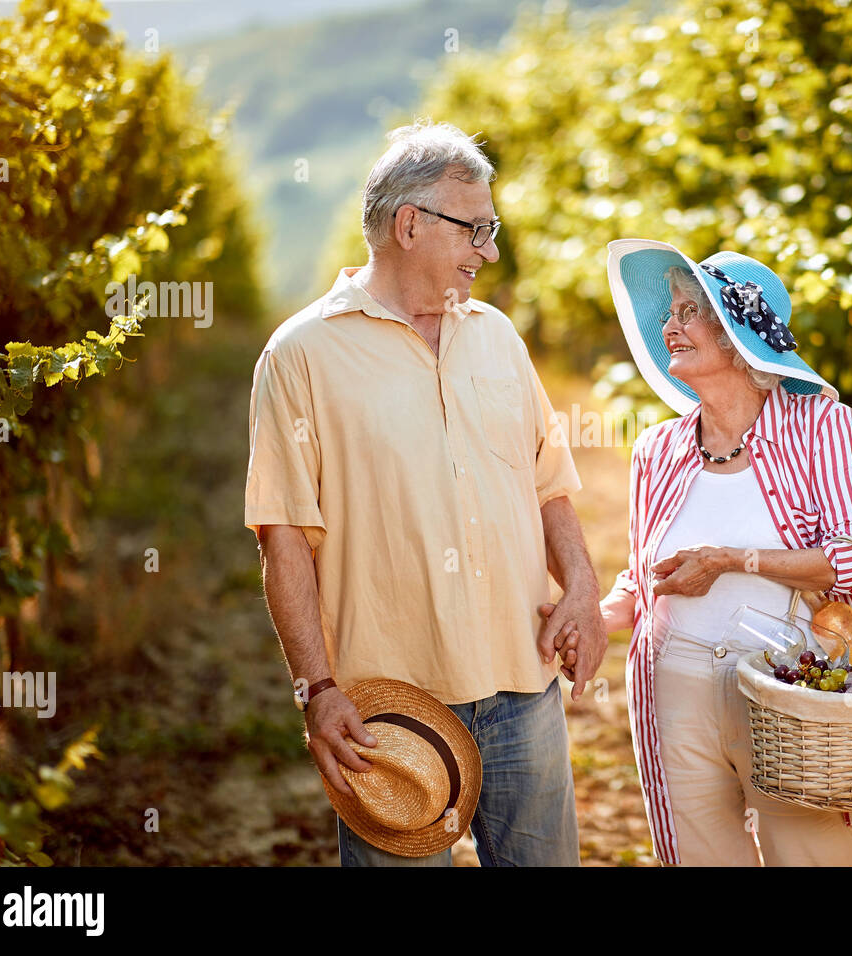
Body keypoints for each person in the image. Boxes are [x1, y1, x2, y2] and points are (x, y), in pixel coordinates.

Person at [243, 120, 607, 867]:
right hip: (391, 715)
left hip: (522, 686)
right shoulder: (302, 355)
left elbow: (549, 484)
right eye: (476, 229)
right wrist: (317, 690)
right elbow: (283, 539)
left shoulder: (498, 336)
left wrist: (581, 586)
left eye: (492, 228)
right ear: (410, 225)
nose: (491, 251)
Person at [559, 239, 852, 866]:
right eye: (671, 311)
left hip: (790, 681)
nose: (671, 324)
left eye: (691, 310)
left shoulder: (818, 424)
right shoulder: (658, 449)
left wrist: (733, 560)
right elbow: (641, 579)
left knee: (812, 855)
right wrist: (589, 618)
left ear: (739, 331)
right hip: (675, 680)